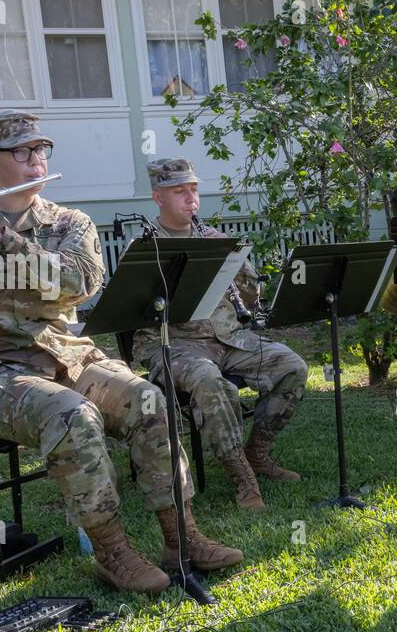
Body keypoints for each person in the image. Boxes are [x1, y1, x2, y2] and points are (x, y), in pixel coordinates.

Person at [0, 111, 242, 595]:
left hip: (68, 358)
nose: (36, 161)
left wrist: (0, 237)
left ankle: (182, 538)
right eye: (20, 152)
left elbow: (77, 284)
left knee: (150, 400)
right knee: (73, 416)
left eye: (41, 150)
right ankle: (113, 553)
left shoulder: (68, 223)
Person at [132, 158, 308, 510]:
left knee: (292, 366)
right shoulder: (144, 248)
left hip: (229, 337)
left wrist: (238, 266)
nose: (190, 199)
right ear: (158, 197)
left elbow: (251, 300)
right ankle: (242, 476)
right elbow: (135, 309)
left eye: (193, 189)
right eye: (179, 191)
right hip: (176, 344)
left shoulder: (213, 239)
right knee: (212, 382)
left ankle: (257, 452)